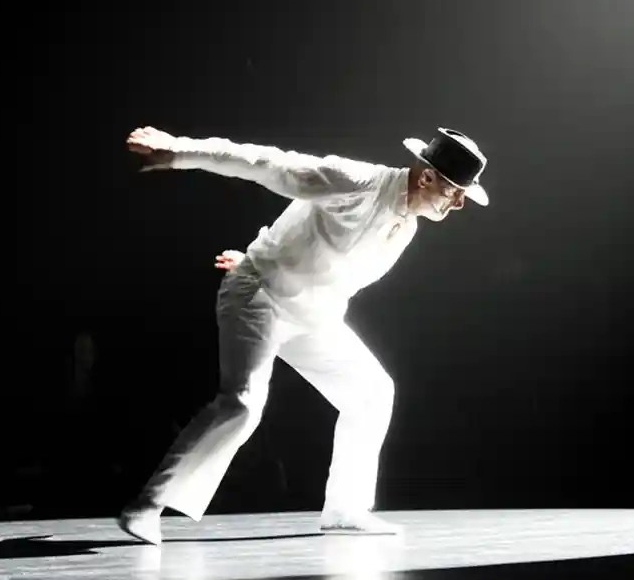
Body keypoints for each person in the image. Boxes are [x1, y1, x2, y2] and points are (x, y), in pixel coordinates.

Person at [117, 125, 490, 544]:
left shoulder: (406, 224)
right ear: (426, 178)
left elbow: (326, 260)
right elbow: (264, 161)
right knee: (242, 405)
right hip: (259, 295)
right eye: (455, 191)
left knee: (372, 392)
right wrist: (176, 152)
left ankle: (346, 510)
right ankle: (147, 506)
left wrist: (274, 251)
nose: (458, 204)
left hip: (313, 316)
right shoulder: (356, 181)